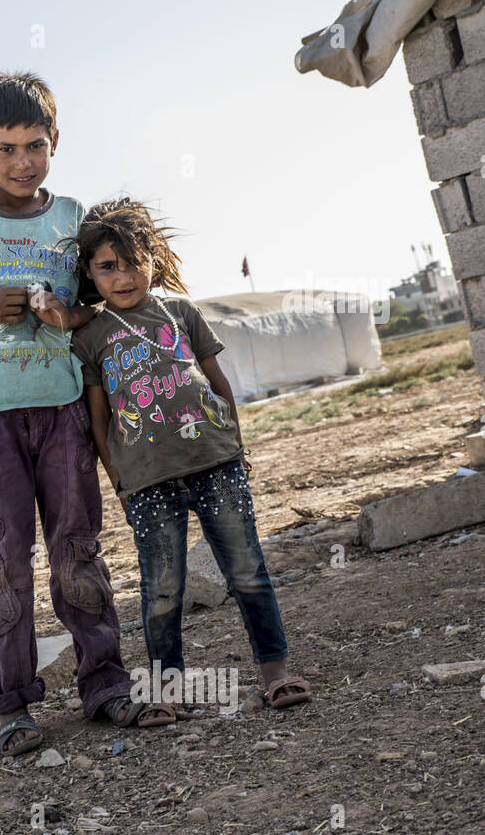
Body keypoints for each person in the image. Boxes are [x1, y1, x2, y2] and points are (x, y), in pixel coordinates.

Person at [0, 72, 143, 758]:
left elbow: (96, 304)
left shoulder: (74, 217)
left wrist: (62, 313)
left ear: (55, 141)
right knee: (3, 564)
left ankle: (104, 684)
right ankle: (13, 704)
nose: (22, 162)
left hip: (63, 412)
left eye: (35, 146)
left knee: (76, 550)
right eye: (6, 149)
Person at [67, 198, 312, 726]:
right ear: (88, 272)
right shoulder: (89, 337)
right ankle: (167, 691)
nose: (122, 277)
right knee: (162, 588)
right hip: (147, 482)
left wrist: (235, 446)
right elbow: (98, 419)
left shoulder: (181, 312)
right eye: (107, 267)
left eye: (133, 263)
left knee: (246, 569)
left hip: (215, 462)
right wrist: (119, 479)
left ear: (153, 259)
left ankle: (276, 672)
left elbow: (217, 382)